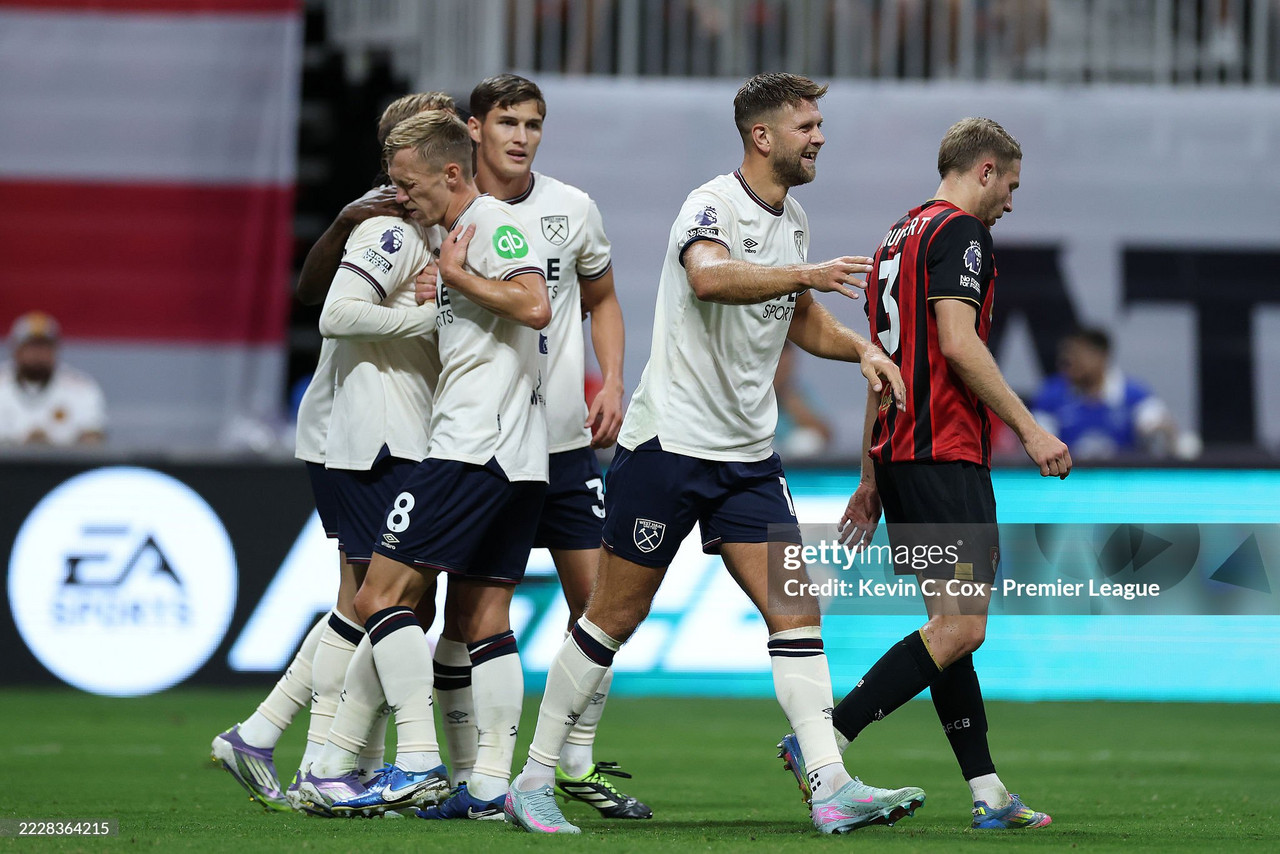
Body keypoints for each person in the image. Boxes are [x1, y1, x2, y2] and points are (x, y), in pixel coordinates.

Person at [505, 72, 918, 836]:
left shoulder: (791, 217)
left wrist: (859, 347)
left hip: (748, 459)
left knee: (797, 608)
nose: (820, 136)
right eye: (807, 126)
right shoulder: (711, 204)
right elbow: (709, 276)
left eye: (820, 123)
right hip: (669, 447)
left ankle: (828, 782)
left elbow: (799, 319)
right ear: (762, 137)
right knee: (613, 615)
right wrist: (803, 272)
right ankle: (530, 781)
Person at [799, 116, 1069, 831]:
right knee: (963, 629)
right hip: (944, 449)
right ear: (984, 169)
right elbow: (956, 342)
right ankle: (825, 741)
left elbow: (876, 366)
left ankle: (988, 794)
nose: (1010, 202)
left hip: (900, 453)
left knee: (946, 628)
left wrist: (870, 472)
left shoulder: (897, 238)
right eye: (1010, 185)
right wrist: (1029, 427)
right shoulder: (960, 234)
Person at [211, 92, 454, 813]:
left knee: (375, 600)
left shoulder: (425, 228)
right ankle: (329, 760)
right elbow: (332, 310)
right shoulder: (385, 226)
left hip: (382, 426)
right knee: (387, 598)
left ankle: (280, 742)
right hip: (367, 432)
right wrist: (428, 311)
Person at [418, 72, 648, 823]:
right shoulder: (444, 215)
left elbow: (603, 297)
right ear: (474, 129)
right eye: (508, 121)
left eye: (534, 123)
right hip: (483, 445)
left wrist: (611, 378)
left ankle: (572, 761)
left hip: (564, 445)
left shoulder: (572, 209)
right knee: (466, 614)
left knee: (602, 605)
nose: (522, 136)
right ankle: (465, 774)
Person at [321, 110, 551, 819]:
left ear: (452, 172)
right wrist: (447, 284)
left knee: (378, 596)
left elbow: (534, 303)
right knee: (483, 617)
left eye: (409, 182)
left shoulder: (489, 224)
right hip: (517, 456)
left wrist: (457, 276)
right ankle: (485, 786)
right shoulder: (459, 235)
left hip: (469, 446)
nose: (402, 195)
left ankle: (416, 762)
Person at [1032, 327, 1193, 460]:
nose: (1068, 362)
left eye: (1077, 355)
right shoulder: (1050, 396)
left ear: (1102, 355)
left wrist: (1160, 431)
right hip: (1068, 482)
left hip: (1124, 484)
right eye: (1066, 356)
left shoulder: (1135, 395)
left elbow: (1159, 427)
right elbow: (1038, 441)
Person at [0, 312, 105, 446]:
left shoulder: (80, 388)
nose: (38, 354)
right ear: (16, 350)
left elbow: (93, 437)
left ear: (56, 350)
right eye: (31, 346)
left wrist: (51, 451)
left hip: (65, 465)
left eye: (44, 346)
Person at [773, 340, 834, 459]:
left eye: (786, 367)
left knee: (807, 441)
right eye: (778, 367)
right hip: (759, 459)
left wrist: (789, 399)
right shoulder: (749, 392)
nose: (781, 372)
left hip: (793, 464)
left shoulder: (799, 392)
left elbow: (826, 434)